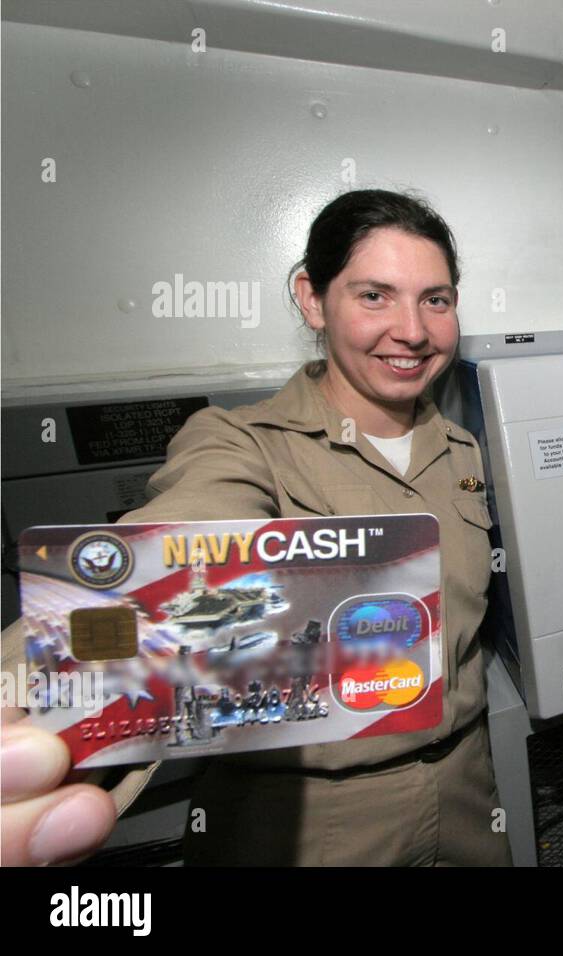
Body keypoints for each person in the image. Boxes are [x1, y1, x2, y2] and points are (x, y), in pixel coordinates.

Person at [1, 189, 511, 866]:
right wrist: (22, 686)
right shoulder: (243, 446)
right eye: (374, 296)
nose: (413, 330)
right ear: (312, 298)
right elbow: (168, 566)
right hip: (313, 819)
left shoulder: (462, 451)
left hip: (468, 788)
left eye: (436, 300)